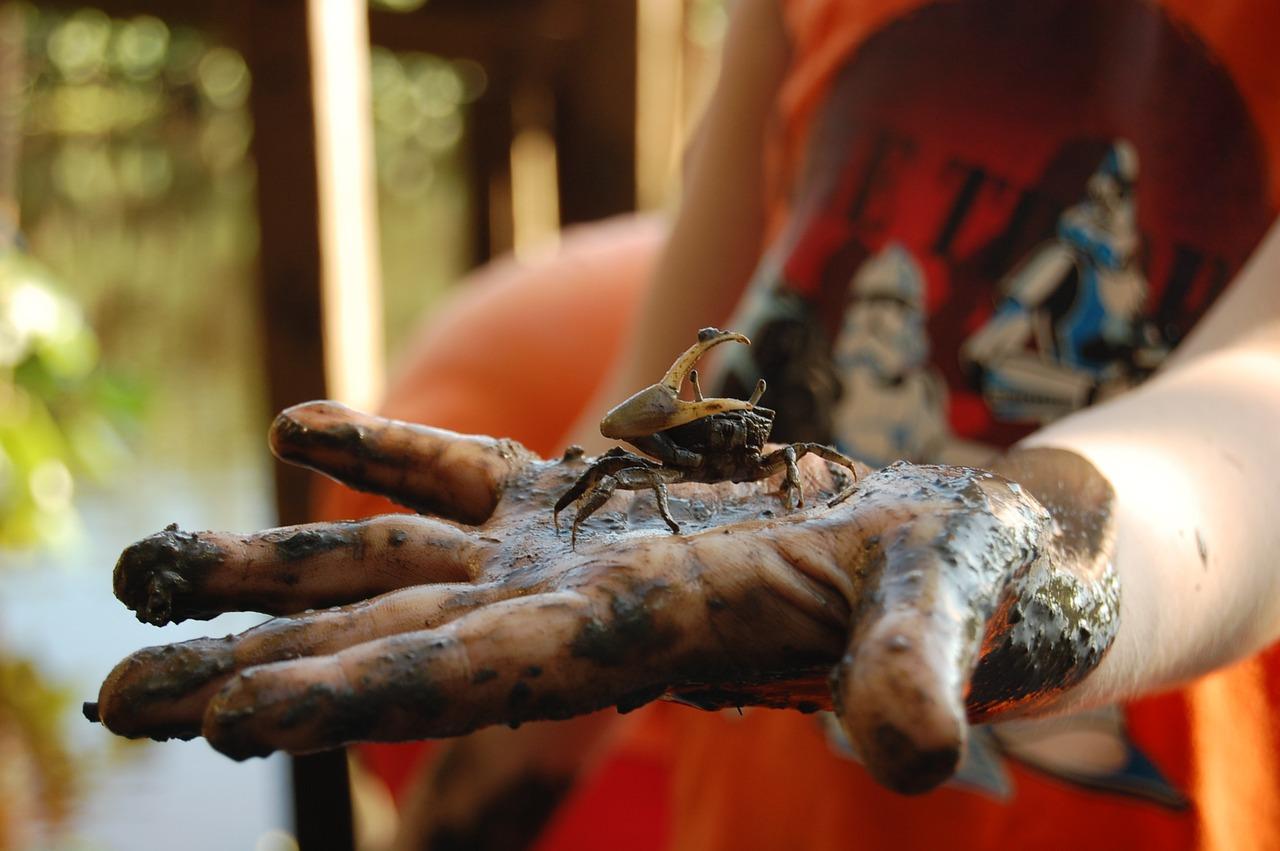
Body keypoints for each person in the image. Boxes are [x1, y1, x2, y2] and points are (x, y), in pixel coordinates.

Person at [91, 0, 1280, 848]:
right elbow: (618, 443)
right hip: (754, 802)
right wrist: (481, 781)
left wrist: (1009, 537)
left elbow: (1251, 425)